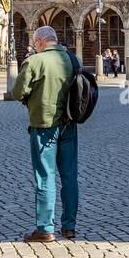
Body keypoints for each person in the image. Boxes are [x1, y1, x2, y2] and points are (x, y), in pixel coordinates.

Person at [11, 25, 80, 243]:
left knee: (45, 176)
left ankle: (45, 228)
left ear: (40, 41)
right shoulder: (72, 60)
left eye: (35, 42)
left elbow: (17, 92)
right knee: (69, 176)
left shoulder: (34, 61)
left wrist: (30, 99)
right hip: (69, 125)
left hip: (43, 125)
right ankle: (69, 226)